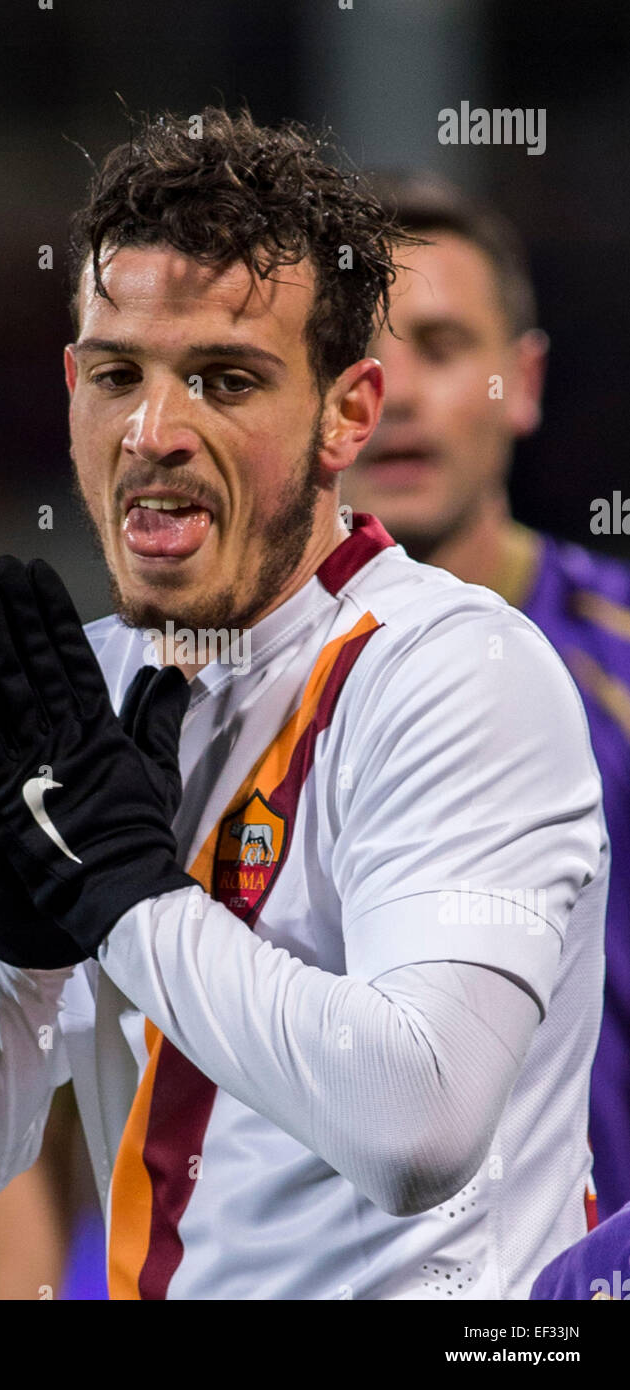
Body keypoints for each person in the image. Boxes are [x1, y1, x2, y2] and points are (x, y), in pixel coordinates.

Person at [0, 108, 609, 1301]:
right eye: (117, 375)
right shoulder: (78, 691)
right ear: (69, 388)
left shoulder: (462, 672)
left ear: (346, 414)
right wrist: (22, 950)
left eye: (224, 378)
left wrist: (134, 905)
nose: (154, 430)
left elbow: (417, 1128)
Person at [340, 172, 630, 1223]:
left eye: (443, 344)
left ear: (525, 377)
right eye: (350, 352)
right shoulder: (191, 698)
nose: (396, 393)